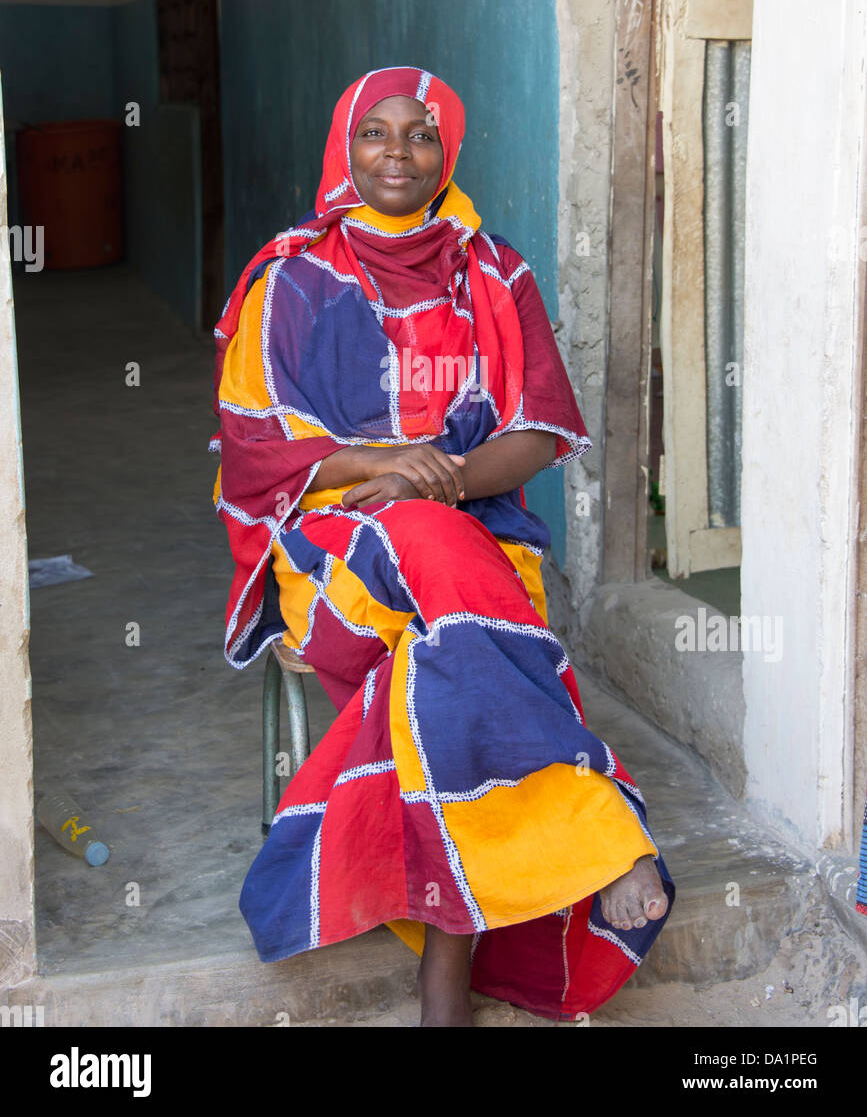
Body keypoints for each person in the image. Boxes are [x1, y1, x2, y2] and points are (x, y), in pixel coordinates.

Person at [211, 65, 674, 1026]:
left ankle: (443, 985)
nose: (396, 152)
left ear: (446, 152)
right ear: (345, 147)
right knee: (434, 569)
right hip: (331, 558)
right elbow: (254, 450)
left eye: (419, 134)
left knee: (440, 662)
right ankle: (597, 816)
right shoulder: (291, 276)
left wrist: (441, 478)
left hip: (475, 544)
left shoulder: (492, 272)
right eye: (375, 133)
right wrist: (377, 465)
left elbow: (541, 432)